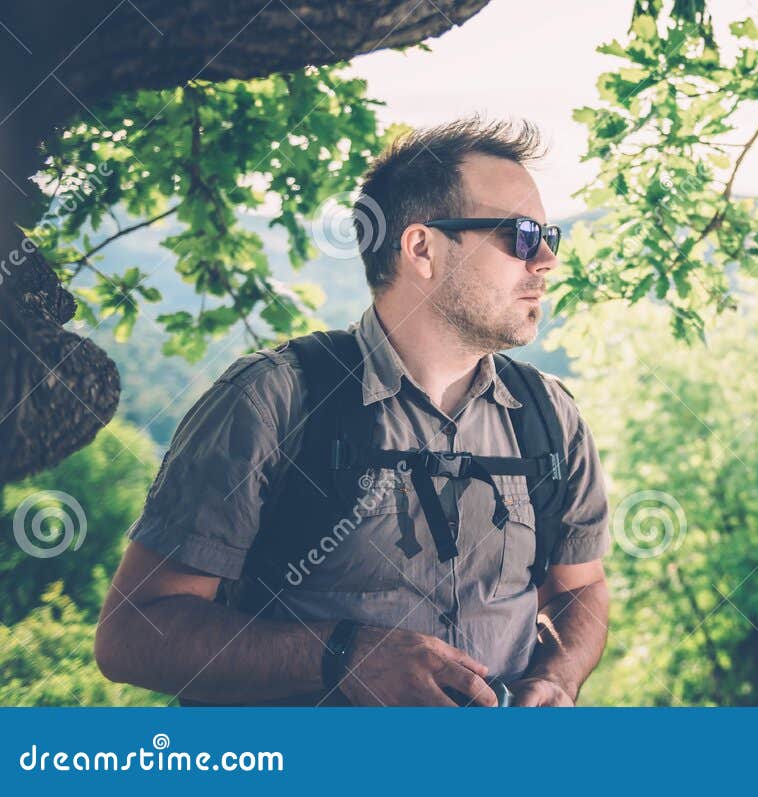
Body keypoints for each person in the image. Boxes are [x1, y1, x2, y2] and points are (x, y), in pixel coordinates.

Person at [93, 117, 610, 707]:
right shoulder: (271, 402)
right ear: (422, 249)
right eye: (520, 235)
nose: (545, 258)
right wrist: (340, 657)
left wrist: (558, 676)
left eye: (548, 235)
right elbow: (132, 636)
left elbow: (579, 589)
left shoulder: (550, 418)